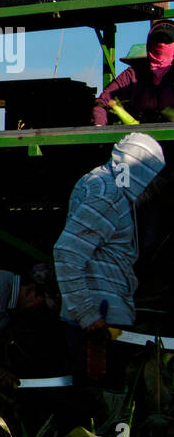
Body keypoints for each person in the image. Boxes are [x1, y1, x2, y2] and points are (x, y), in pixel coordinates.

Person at [53, 132, 166, 386]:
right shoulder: (109, 195)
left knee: (93, 400)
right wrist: (88, 314)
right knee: (103, 401)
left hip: (97, 319)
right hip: (98, 324)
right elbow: (67, 252)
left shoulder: (97, 182)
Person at [91, 21, 174, 125]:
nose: (162, 44)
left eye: (168, 40)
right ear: (149, 43)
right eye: (158, 39)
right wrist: (99, 127)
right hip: (139, 137)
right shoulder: (132, 75)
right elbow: (103, 102)